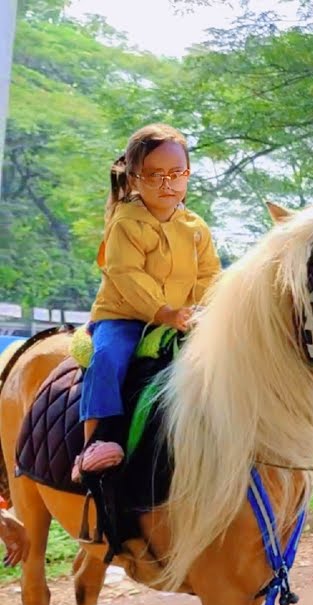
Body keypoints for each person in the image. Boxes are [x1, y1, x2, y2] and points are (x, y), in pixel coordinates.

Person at [75, 124, 221, 481]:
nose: (167, 183)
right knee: (107, 357)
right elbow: (127, 275)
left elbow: (209, 275)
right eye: (154, 175)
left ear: (188, 175)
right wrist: (164, 312)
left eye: (176, 173)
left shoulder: (196, 227)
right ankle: (98, 438)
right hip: (125, 316)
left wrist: (203, 310)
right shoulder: (125, 222)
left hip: (182, 317)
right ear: (134, 177)